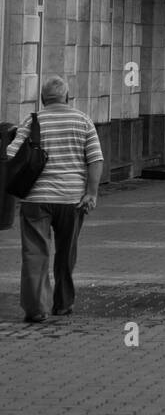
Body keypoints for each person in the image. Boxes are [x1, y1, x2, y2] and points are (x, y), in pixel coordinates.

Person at [3, 75, 103, 323]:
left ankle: (36, 308)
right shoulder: (83, 121)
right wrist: (91, 193)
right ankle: (63, 303)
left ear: (42, 99)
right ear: (68, 97)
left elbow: (11, 152)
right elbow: (95, 159)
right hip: (72, 200)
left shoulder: (32, 120)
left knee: (35, 253)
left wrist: (17, 135)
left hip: (36, 199)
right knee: (66, 253)